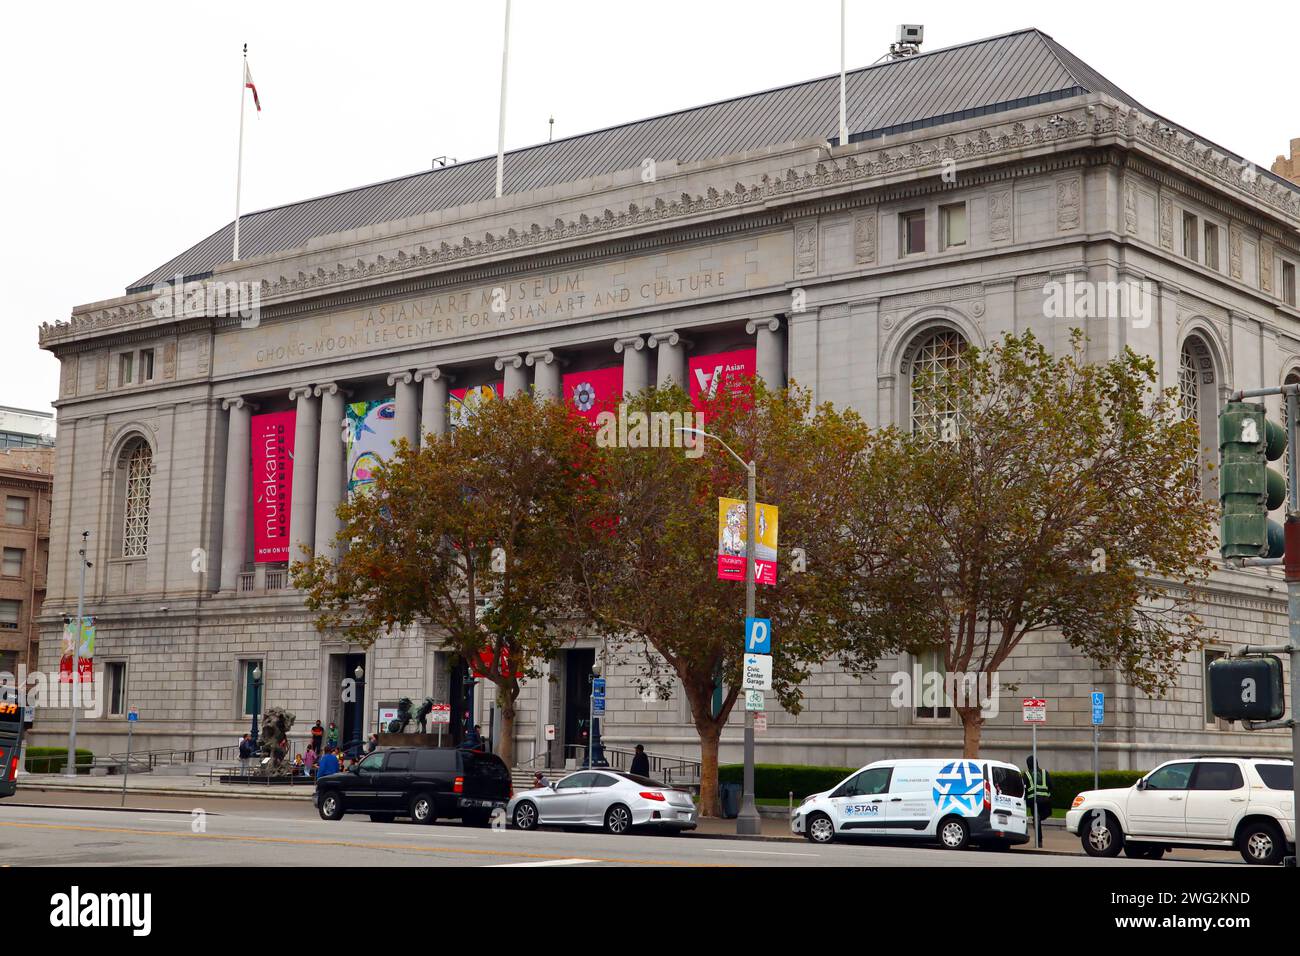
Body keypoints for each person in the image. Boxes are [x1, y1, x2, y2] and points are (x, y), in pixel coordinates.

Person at [1025, 754, 1053, 845]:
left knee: (1037, 819)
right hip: (1045, 800)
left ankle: (1039, 841)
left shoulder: (1026, 775)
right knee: (1044, 815)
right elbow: (1051, 786)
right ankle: (1039, 840)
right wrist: (1048, 796)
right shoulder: (1045, 773)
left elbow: (1024, 789)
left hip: (1033, 801)